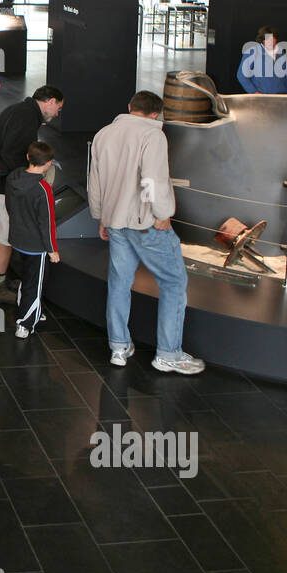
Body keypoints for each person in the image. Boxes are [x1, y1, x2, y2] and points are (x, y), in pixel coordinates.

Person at [87, 90, 204, 375]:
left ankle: (119, 346)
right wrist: (163, 213)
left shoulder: (104, 133)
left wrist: (101, 216)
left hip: (115, 221)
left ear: (129, 107)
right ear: (155, 114)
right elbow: (152, 178)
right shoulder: (153, 136)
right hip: (145, 223)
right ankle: (168, 353)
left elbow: (95, 180)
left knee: (119, 282)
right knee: (174, 283)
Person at [0, 85, 64, 303]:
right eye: (58, 108)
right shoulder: (26, 117)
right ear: (51, 101)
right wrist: (25, 180)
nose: (57, 113)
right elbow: (11, 152)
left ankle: (2, 278)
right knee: (5, 237)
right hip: (1, 186)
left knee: (6, 234)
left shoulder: (19, 110)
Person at [5, 140, 60, 338]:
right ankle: (26, 323)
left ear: (28, 157)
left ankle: (27, 309)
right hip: (36, 245)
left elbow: (9, 206)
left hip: (17, 238)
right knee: (35, 284)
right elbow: (47, 222)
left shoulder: (14, 177)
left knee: (26, 279)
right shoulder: (43, 189)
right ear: (48, 163)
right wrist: (52, 249)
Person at [236, 26, 287, 94]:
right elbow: (241, 75)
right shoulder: (252, 52)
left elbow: (286, 77)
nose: (271, 41)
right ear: (262, 40)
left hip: (281, 96)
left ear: (276, 39)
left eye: (273, 38)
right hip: (262, 97)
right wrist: (254, 92)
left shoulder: (281, 53)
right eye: (268, 39)